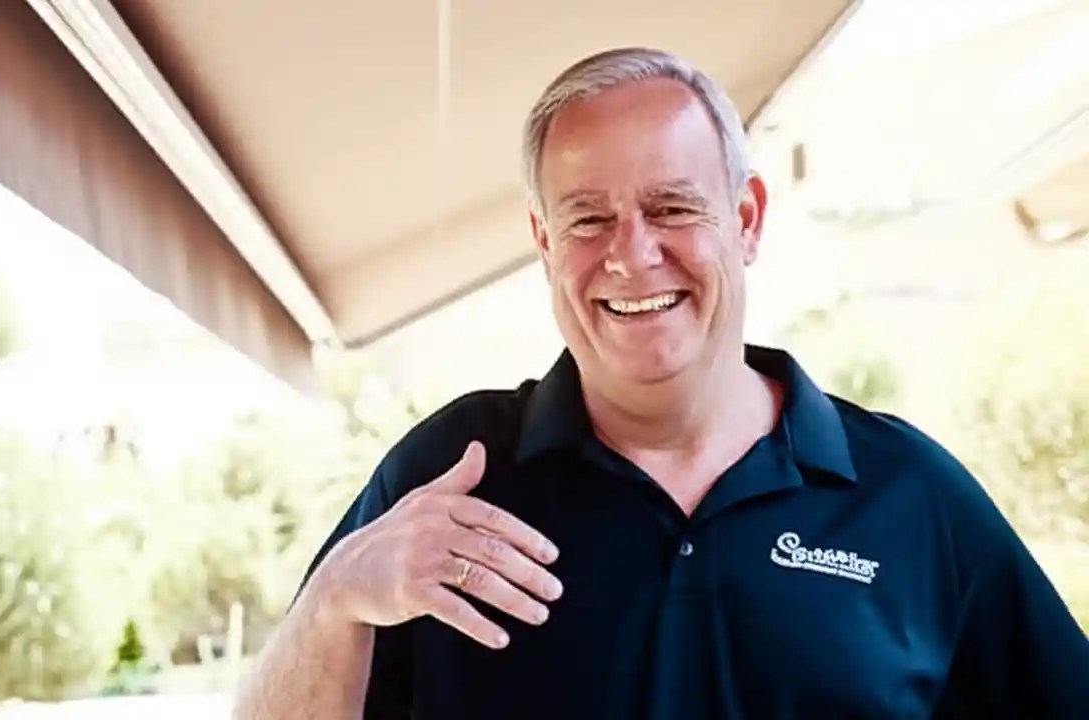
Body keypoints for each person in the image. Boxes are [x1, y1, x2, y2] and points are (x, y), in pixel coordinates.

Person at [233, 47, 1089, 719]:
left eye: (673, 208)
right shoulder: (452, 472)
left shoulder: (910, 497)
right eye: (588, 218)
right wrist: (336, 601)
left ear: (745, 219)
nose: (630, 253)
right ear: (543, 241)